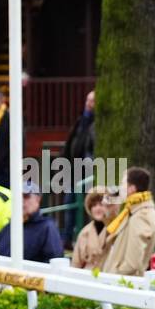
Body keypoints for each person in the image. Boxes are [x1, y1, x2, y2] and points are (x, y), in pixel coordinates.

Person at [101, 166, 155, 275]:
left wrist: (113, 276)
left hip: (122, 284)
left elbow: (132, 264)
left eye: (122, 183)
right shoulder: (133, 210)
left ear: (132, 188)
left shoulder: (141, 216)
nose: (120, 187)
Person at [0, 182, 63, 263]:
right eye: (18, 197)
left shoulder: (47, 228)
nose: (21, 201)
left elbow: (54, 262)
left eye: (26, 196)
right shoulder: (9, 227)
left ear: (38, 199)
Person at [61, 90, 96, 244]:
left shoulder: (96, 124)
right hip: (74, 170)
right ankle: (68, 238)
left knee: (88, 206)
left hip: (86, 172)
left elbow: (91, 147)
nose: (88, 104)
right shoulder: (81, 121)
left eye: (92, 101)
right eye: (87, 100)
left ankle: (86, 239)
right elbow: (71, 144)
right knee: (70, 205)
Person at [71, 189, 113, 270]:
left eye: (101, 204)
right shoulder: (84, 233)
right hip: (87, 278)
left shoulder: (115, 229)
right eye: (94, 205)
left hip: (109, 277)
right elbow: (76, 263)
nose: (97, 208)